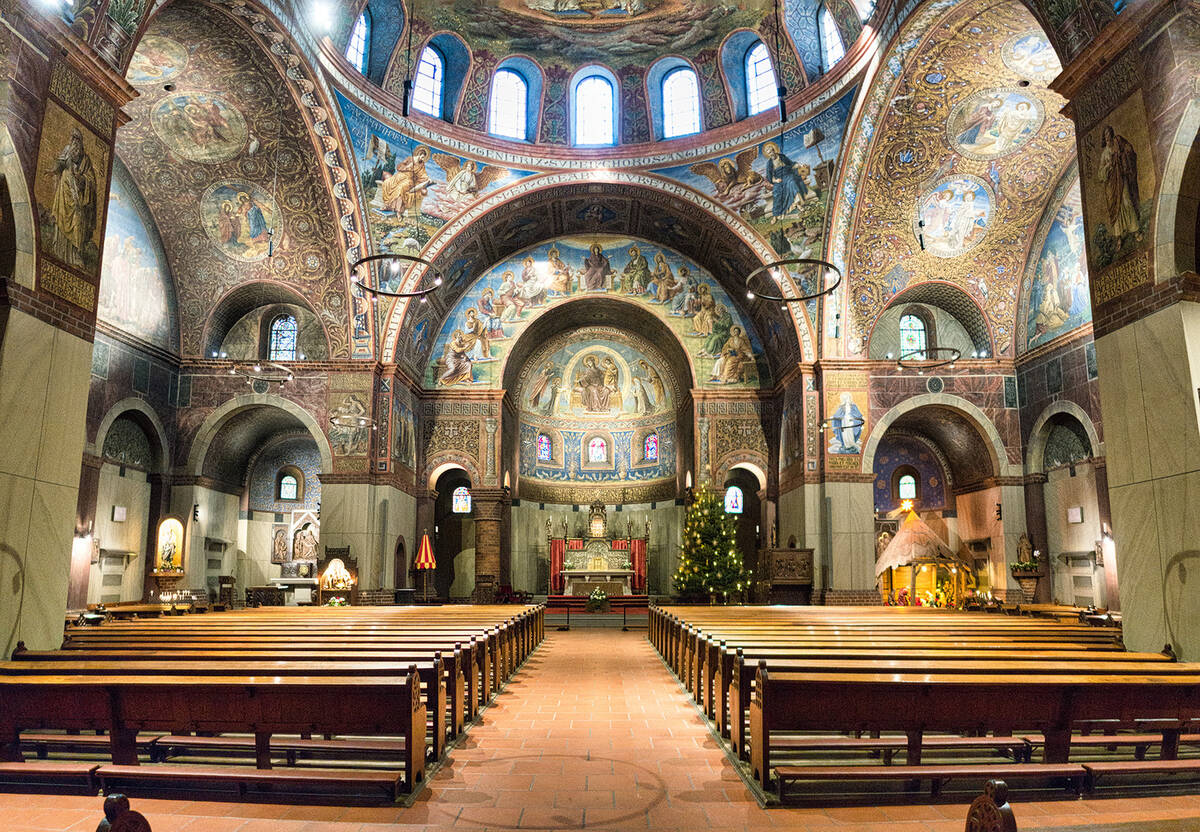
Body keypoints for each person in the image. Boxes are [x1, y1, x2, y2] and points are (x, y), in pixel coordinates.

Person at [47, 127, 98, 267]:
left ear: (80, 142)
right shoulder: (68, 150)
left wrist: (81, 179)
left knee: (78, 219)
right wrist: (53, 169)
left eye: (77, 140)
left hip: (79, 196)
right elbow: (60, 163)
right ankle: (60, 249)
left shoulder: (85, 159)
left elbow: (91, 180)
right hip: (66, 189)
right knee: (63, 217)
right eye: (73, 139)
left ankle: (75, 253)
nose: (74, 142)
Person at [1096, 124, 1141, 242]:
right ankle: (1119, 237)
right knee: (1116, 209)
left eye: (1109, 134)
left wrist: (1122, 155)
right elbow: (1100, 174)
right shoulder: (1104, 154)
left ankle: (1135, 230)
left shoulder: (1117, 143)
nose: (1107, 137)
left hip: (1121, 178)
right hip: (1111, 185)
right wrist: (1107, 166)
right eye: (1105, 135)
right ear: (1104, 138)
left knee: (1126, 202)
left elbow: (1128, 149)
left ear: (1112, 135)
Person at [379, 145, 433, 215]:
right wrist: (407, 167)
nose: (422, 159)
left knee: (401, 188)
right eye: (422, 157)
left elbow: (422, 175)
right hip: (400, 176)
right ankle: (387, 204)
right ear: (419, 154)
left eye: (424, 158)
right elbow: (399, 167)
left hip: (409, 179)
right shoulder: (410, 159)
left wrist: (428, 179)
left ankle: (392, 207)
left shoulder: (421, 165)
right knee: (387, 182)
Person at [762, 141, 808, 218]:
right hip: (779, 179)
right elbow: (769, 176)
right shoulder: (769, 163)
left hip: (788, 174)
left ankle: (798, 204)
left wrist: (800, 165)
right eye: (769, 153)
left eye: (771, 151)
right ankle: (788, 208)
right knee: (778, 190)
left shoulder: (782, 157)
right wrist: (776, 180)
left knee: (792, 182)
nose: (771, 154)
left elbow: (791, 163)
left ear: (774, 150)